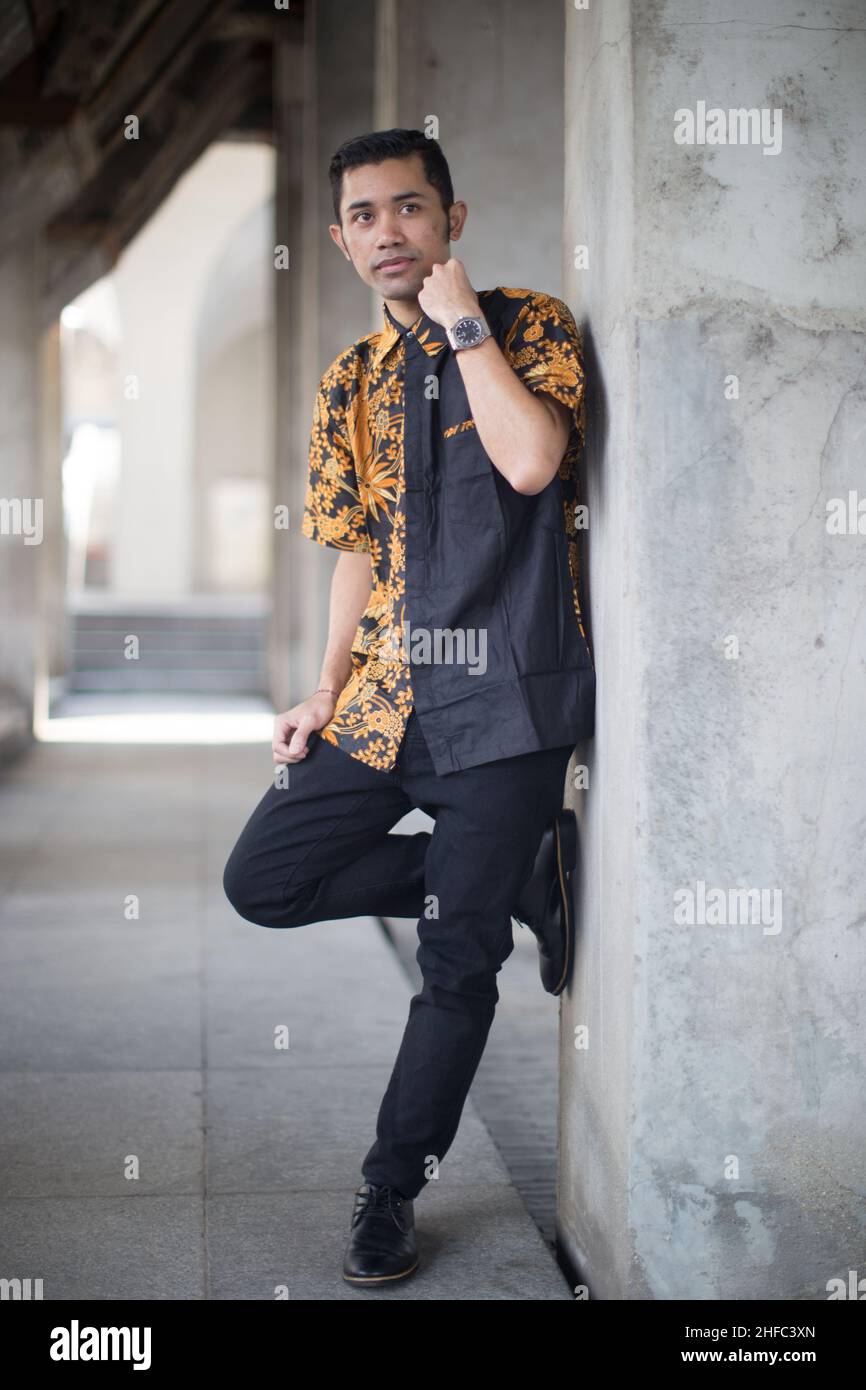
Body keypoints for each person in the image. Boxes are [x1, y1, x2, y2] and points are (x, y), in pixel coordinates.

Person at [223, 128, 596, 1286]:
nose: (389, 231)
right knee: (264, 880)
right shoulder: (347, 382)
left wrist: (464, 325)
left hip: (505, 705)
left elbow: (533, 462)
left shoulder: (528, 326)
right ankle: (522, 876)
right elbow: (354, 555)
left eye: (409, 209)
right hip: (384, 700)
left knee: (453, 958)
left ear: (451, 221)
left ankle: (389, 1189)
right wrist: (322, 688)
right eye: (365, 216)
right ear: (339, 240)